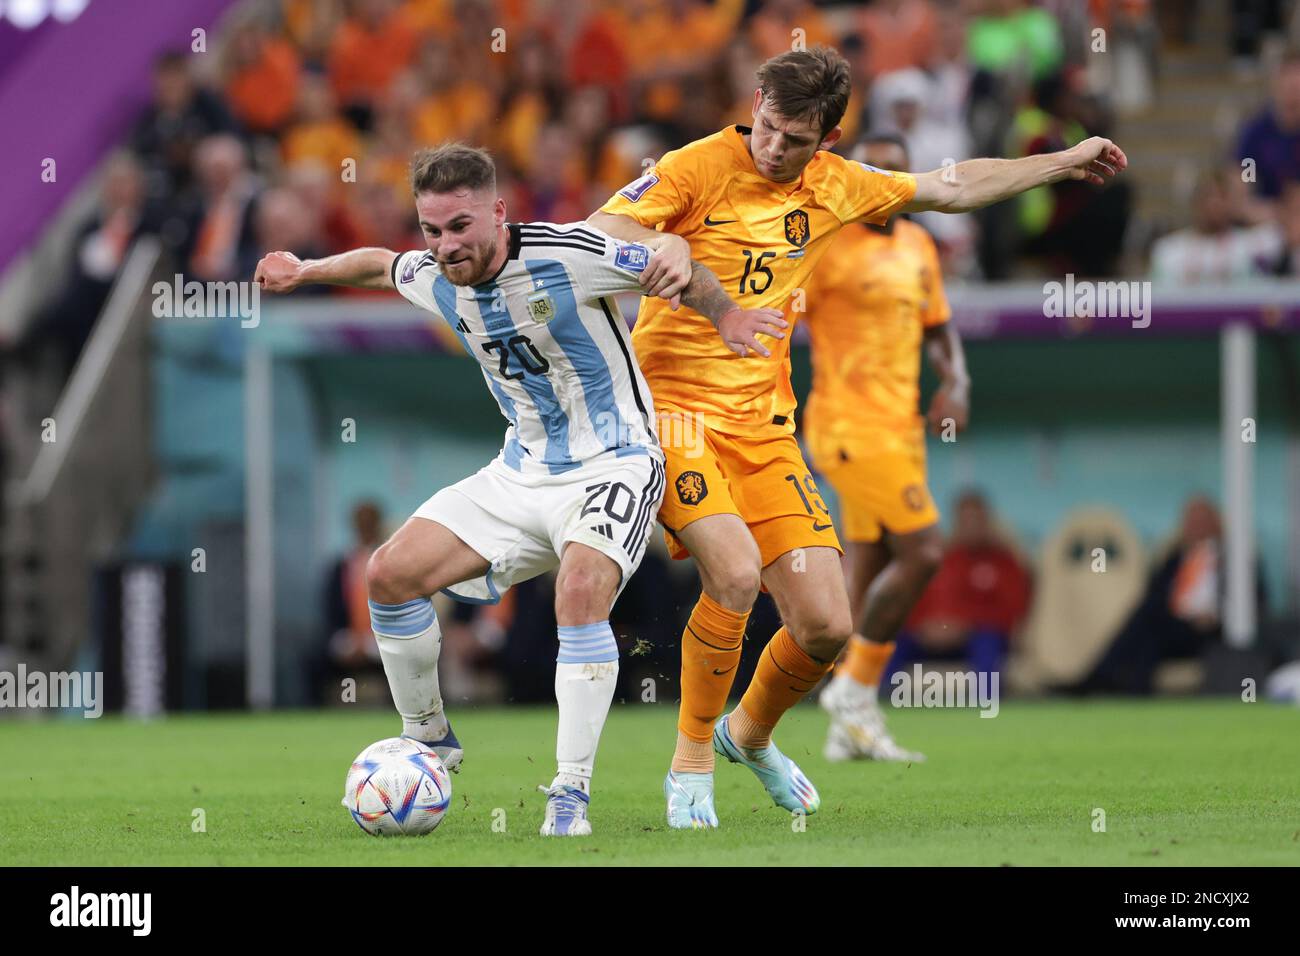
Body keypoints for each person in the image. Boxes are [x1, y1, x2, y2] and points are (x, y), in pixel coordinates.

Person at [588, 44, 1126, 829]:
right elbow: (598, 230)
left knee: (826, 626)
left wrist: (1061, 161)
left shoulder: (839, 187)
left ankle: (749, 734)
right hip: (671, 414)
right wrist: (656, 244)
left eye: (795, 140)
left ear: (827, 141)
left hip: (765, 428)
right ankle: (692, 758)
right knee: (735, 578)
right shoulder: (692, 167)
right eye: (768, 127)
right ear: (756, 108)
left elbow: (950, 185)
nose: (774, 147)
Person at [255, 143, 778, 837]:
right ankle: (430, 738)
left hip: (614, 462)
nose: (446, 245)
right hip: (520, 472)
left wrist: (720, 308)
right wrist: (308, 268)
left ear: (498, 213)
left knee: (580, 591)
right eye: (433, 229)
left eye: (461, 226)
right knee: (389, 574)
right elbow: (382, 264)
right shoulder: (435, 272)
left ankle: (570, 792)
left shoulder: (565, 254)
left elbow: (665, 258)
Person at [801, 133, 969, 764]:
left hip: (902, 429)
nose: (886, 183)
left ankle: (850, 728)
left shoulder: (919, 244)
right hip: (848, 427)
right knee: (924, 550)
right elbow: (779, 317)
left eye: (898, 172)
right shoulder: (827, 245)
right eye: (876, 171)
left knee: (866, 566)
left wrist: (959, 379)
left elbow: (940, 326)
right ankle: (852, 688)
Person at [885, 490, 1030, 688]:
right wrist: (923, 626)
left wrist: (967, 624)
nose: (971, 526)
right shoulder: (937, 559)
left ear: (987, 521)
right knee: (890, 643)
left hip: (975, 637)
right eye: (966, 519)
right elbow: (910, 601)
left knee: (988, 643)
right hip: (927, 638)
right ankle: (875, 701)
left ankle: (989, 707)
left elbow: (1013, 609)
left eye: (976, 519)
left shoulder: (1003, 562)